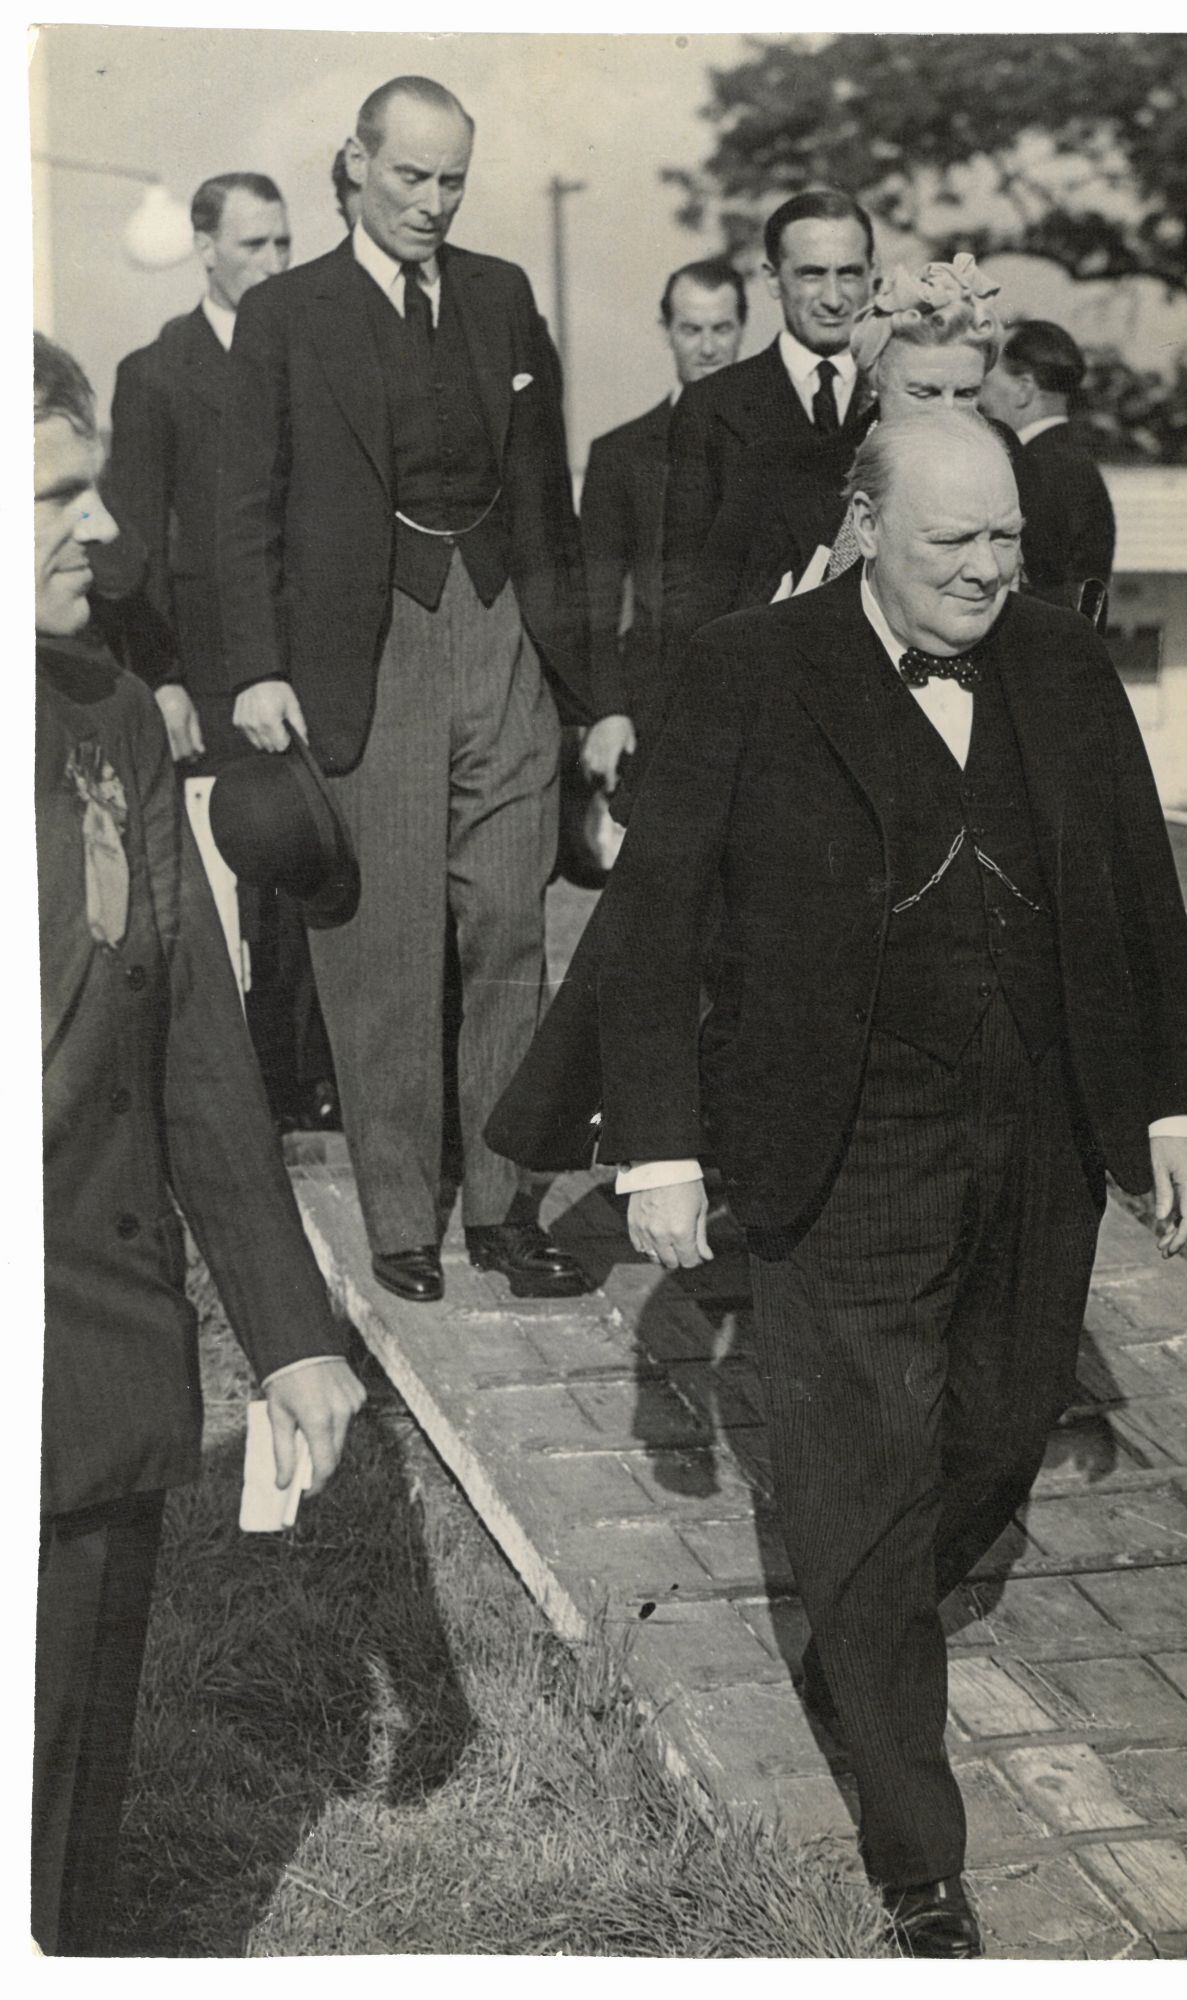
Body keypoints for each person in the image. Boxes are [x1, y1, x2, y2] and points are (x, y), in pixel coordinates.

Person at [486, 411, 1187, 1955]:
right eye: (952, 540)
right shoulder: (752, 667)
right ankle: (915, 1847)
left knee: (1001, 1427)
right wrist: (664, 1150)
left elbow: (1136, 886)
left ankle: (860, 1609)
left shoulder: (1064, 668)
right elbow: (658, 919)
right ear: (867, 524)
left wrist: (1167, 1103)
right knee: (864, 1464)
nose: (984, 569)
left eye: (1006, 538)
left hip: (1038, 1132)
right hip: (840, 1141)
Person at [33, 333, 366, 1955]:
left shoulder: (101, 717)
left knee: (59, 1833)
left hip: (79, 1359)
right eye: (51, 495)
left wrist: (287, 1335)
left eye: (89, 486)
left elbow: (193, 1056)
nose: (100, 531)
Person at [217, 75, 593, 1305]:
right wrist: (258, 668)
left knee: (507, 923)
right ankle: (398, 1218)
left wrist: (588, 681)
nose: (432, 203)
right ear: (356, 165)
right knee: (380, 938)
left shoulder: (500, 295)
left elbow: (548, 497)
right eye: (409, 177)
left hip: (497, 624)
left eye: (451, 182)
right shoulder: (286, 312)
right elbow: (243, 507)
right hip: (361, 640)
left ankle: (502, 1205)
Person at [103, 171, 340, 1137]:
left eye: (286, 244)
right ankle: (246, 1091)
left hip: (314, 659)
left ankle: (310, 1080)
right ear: (205, 248)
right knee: (234, 877)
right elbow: (132, 543)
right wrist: (158, 678)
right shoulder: (158, 370)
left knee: (314, 868)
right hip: (202, 670)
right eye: (255, 247)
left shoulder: (315, 347)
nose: (277, 264)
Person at [688, 255, 1011, 631]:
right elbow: (704, 631)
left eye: (967, 394)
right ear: (875, 382)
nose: (947, 415)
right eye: (924, 393)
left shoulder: (1012, 469)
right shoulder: (777, 476)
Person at [657, 188, 876, 734]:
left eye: (849, 274)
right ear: (773, 279)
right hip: (761, 709)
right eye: (810, 274)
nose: (833, 297)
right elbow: (687, 588)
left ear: (874, 273)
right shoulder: (712, 408)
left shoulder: (902, 395)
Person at [577, 257, 747, 801]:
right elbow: (596, 603)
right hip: (658, 707)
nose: (708, 348)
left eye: (722, 329)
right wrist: (607, 710)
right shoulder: (620, 455)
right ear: (666, 332)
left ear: (742, 328)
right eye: (690, 330)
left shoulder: (783, 447)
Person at [979, 318, 1116, 620]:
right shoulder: (1072, 462)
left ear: (1024, 389)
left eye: (985, 381)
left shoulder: (1034, 469)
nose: (977, 398)